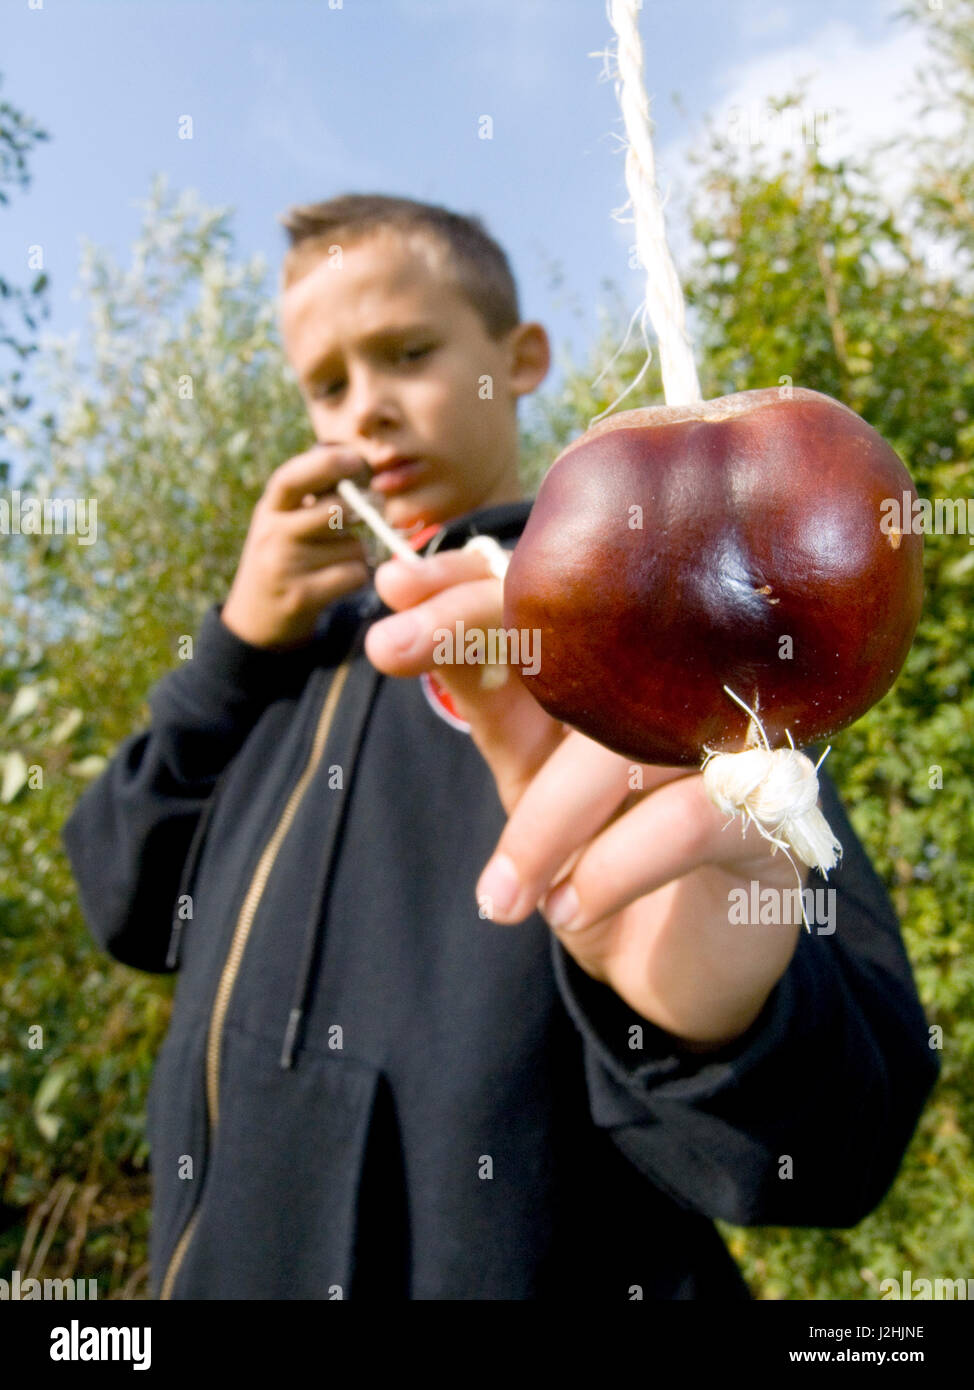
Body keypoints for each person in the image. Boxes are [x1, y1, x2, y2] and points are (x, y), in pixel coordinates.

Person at [62, 193, 940, 1301]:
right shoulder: (283, 671)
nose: (364, 411)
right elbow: (124, 899)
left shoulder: (651, 630)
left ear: (519, 357)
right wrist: (235, 647)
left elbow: (838, 1146)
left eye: (407, 352)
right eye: (325, 386)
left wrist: (715, 1022)